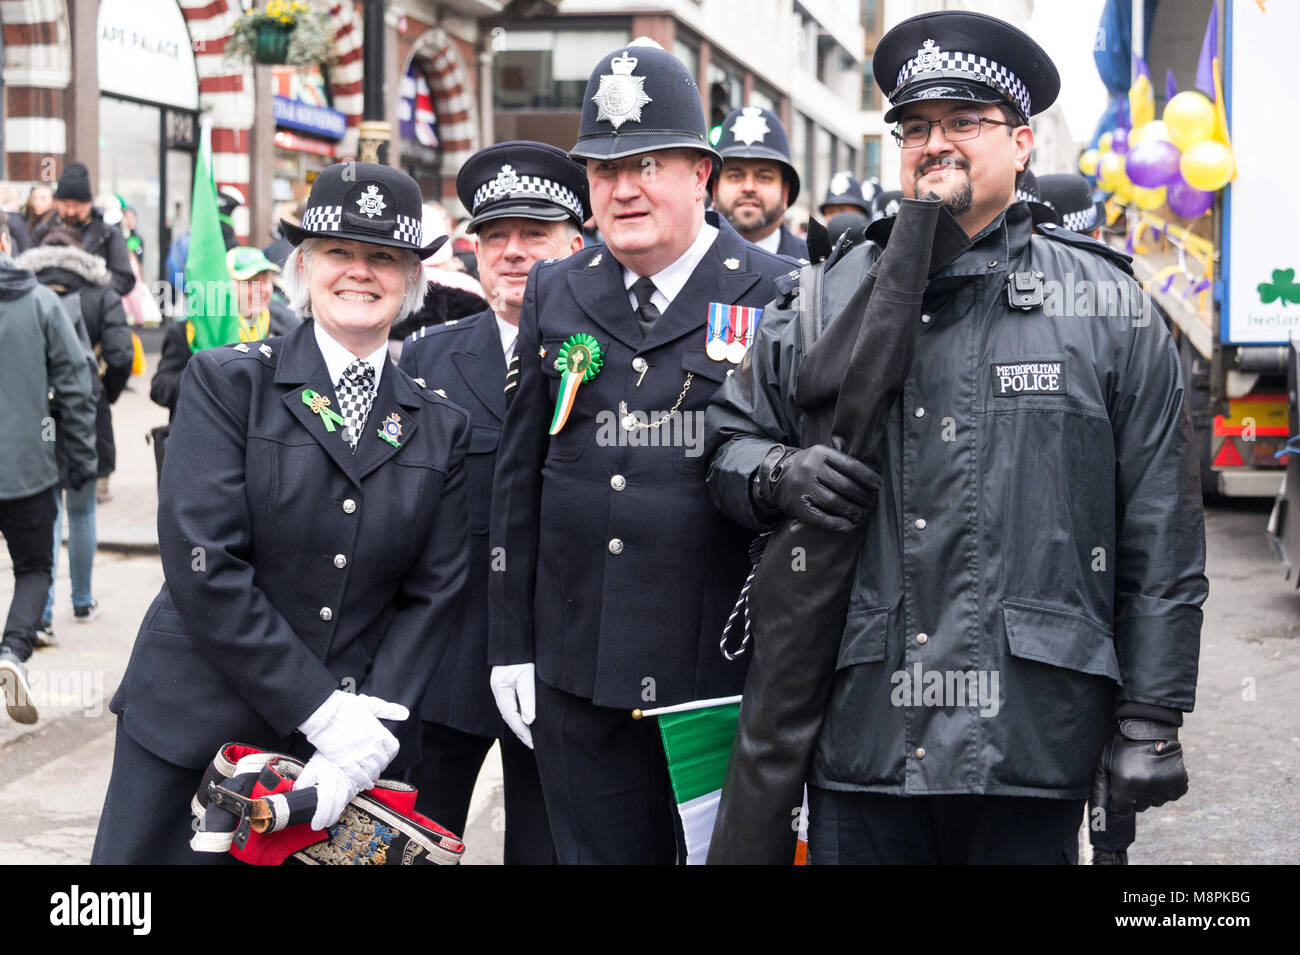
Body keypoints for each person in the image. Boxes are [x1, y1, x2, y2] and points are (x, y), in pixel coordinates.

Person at [703, 10, 1206, 864]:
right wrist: (781, 474)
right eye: (916, 127)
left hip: (1030, 736)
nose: (935, 142)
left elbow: (1160, 528)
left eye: (964, 122)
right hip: (864, 737)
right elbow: (727, 445)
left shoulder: (1108, 308)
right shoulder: (827, 296)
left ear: (1020, 142)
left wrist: (1152, 714)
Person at [91, 162, 472, 863]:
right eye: (339, 252)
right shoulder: (228, 382)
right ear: (304, 265)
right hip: (195, 730)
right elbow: (206, 564)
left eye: (383, 256)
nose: (360, 271)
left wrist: (367, 732)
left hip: (343, 759)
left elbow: (434, 591)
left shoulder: (439, 424)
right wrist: (321, 712)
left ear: (411, 277)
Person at [488, 38, 792, 864]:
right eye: (602, 167)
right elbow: (520, 478)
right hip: (576, 669)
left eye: (648, 162)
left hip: (714, 681)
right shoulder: (559, 287)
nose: (622, 187)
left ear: (702, 173)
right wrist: (512, 641)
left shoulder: (776, 290)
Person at [398, 140, 588, 862]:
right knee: (412, 840)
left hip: (558, 661)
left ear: (577, 242)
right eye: (494, 236)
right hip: (445, 658)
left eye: (533, 235)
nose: (512, 252)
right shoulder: (424, 358)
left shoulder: (609, 353)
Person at [0, 213, 97, 723]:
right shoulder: (40, 303)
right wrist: (81, 456)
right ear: (6, 242)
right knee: (33, 568)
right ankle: (13, 651)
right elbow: (78, 383)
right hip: (27, 468)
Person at [17, 227, 134, 641]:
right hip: (86, 409)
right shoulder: (101, 292)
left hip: (35, 415)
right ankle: (82, 601)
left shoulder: (23, 290)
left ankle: (42, 612)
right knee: (82, 510)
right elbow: (121, 355)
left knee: (45, 511)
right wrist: (106, 393)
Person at [710, 106, 808, 262]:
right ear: (715, 189)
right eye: (735, 176)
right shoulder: (685, 260)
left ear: (785, 193)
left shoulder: (817, 268)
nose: (749, 187)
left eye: (764, 177)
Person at [38, 163, 136, 297]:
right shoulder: (44, 230)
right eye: (65, 205)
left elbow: (124, 280)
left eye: (77, 206)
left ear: (89, 203)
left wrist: (90, 292)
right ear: (57, 203)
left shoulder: (108, 234)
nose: (71, 211)